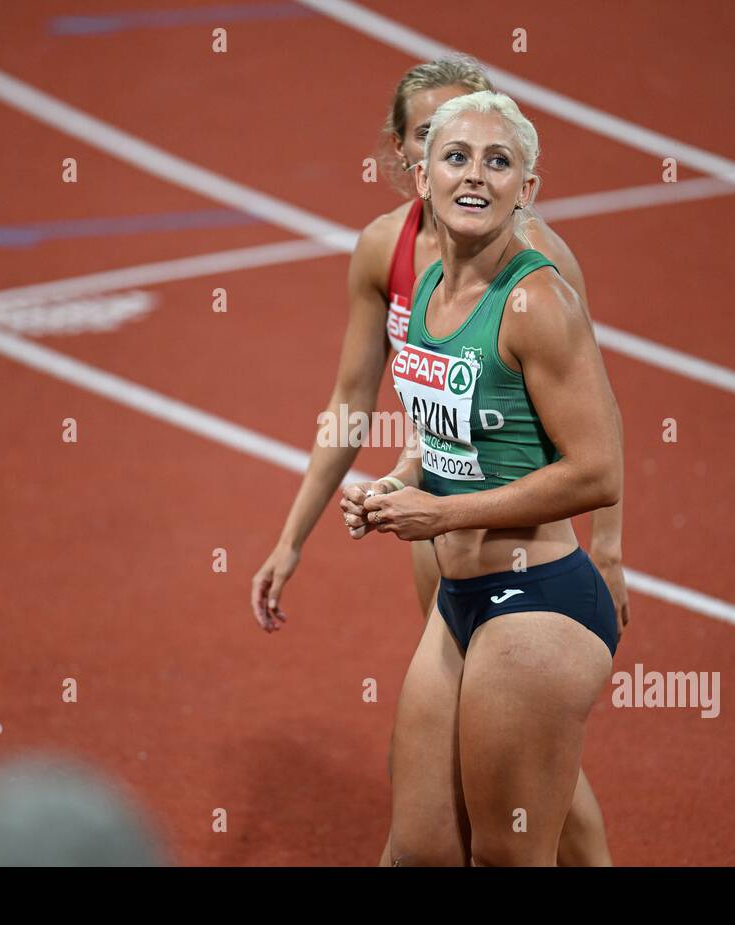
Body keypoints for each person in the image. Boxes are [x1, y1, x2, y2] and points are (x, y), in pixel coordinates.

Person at [249, 56, 627, 866]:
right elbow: (440, 437)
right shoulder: (422, 291)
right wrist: (393, 486)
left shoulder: (538, 295)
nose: (474, 174)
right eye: (455, 154)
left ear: (527, 187)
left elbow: (598, 466)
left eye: (499, 161)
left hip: (538, 596)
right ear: (416, 171)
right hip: (458, 597)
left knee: (510, 852)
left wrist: (449, 516)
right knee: (419, 851)